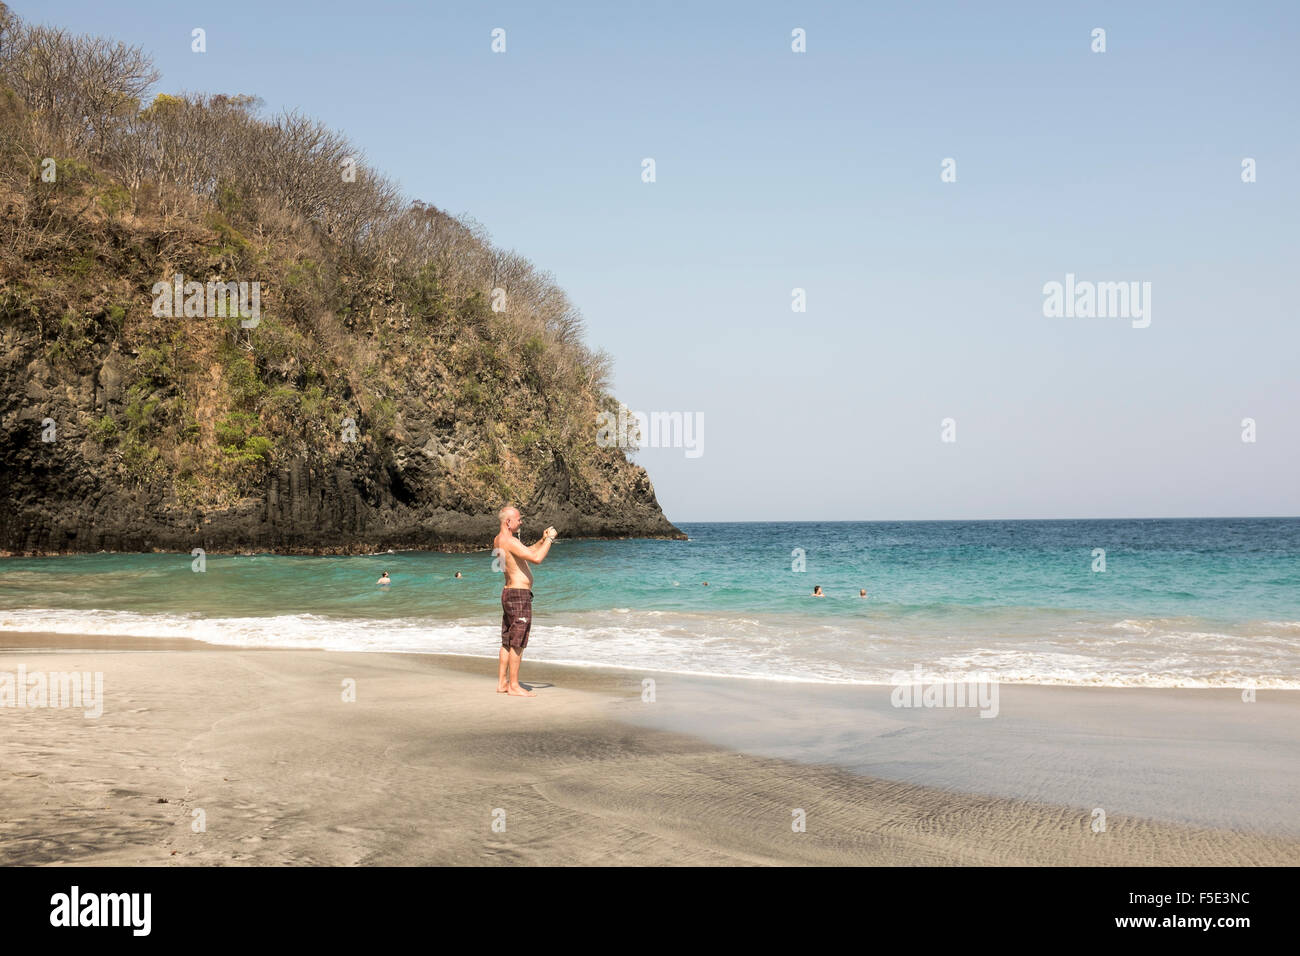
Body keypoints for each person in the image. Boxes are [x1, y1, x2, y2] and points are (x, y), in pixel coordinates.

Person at [493, 506, 557, 697]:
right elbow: (536, 558)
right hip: (519, 595)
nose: (521, 522)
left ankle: (502, 683)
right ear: (508, 522)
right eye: (518, 519)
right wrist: (551, 539)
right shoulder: (510, 541)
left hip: (508, 592)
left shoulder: (498, 540)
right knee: (517, 642)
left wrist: (542, 539)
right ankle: (513, 686)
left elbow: (524, 553)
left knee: (507, 640)